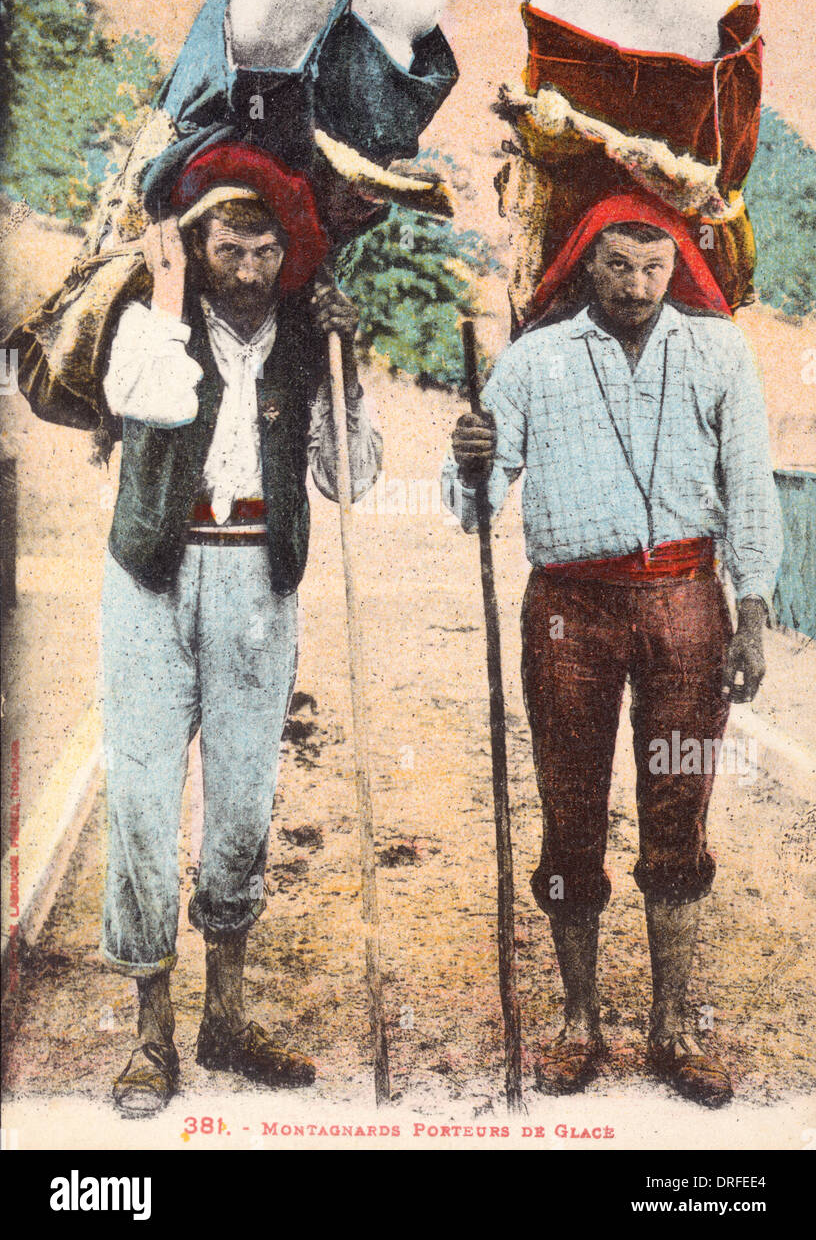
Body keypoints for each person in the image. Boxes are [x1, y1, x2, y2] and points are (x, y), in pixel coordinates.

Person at [443, 194, 783, 1107]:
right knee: (570, 804)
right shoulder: (532, 362)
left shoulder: (718, 353)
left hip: (684, 606)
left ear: (678, 269)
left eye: (654, 266)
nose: (636, 285)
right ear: (585, 265)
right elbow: (477, 506)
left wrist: (750, 614)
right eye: (618, 264)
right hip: (569, 611)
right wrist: (468, 455)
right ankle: (577, 1022)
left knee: (679, 803)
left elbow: (750, 488)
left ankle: (675, 1026)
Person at [99, 142, 382, 1116]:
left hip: (259, 578)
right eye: (230, 245)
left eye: (267, 249)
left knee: (243, 809)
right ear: (196, 242)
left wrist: (347, 378)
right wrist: (174, 300)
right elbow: (147, 400)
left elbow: (354, 479)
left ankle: (226, 1016)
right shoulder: (148, 321)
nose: (250, 268)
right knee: (138, 797)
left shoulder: (310, 335)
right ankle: (149, 1036)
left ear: (288, 251)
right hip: (150, 576)